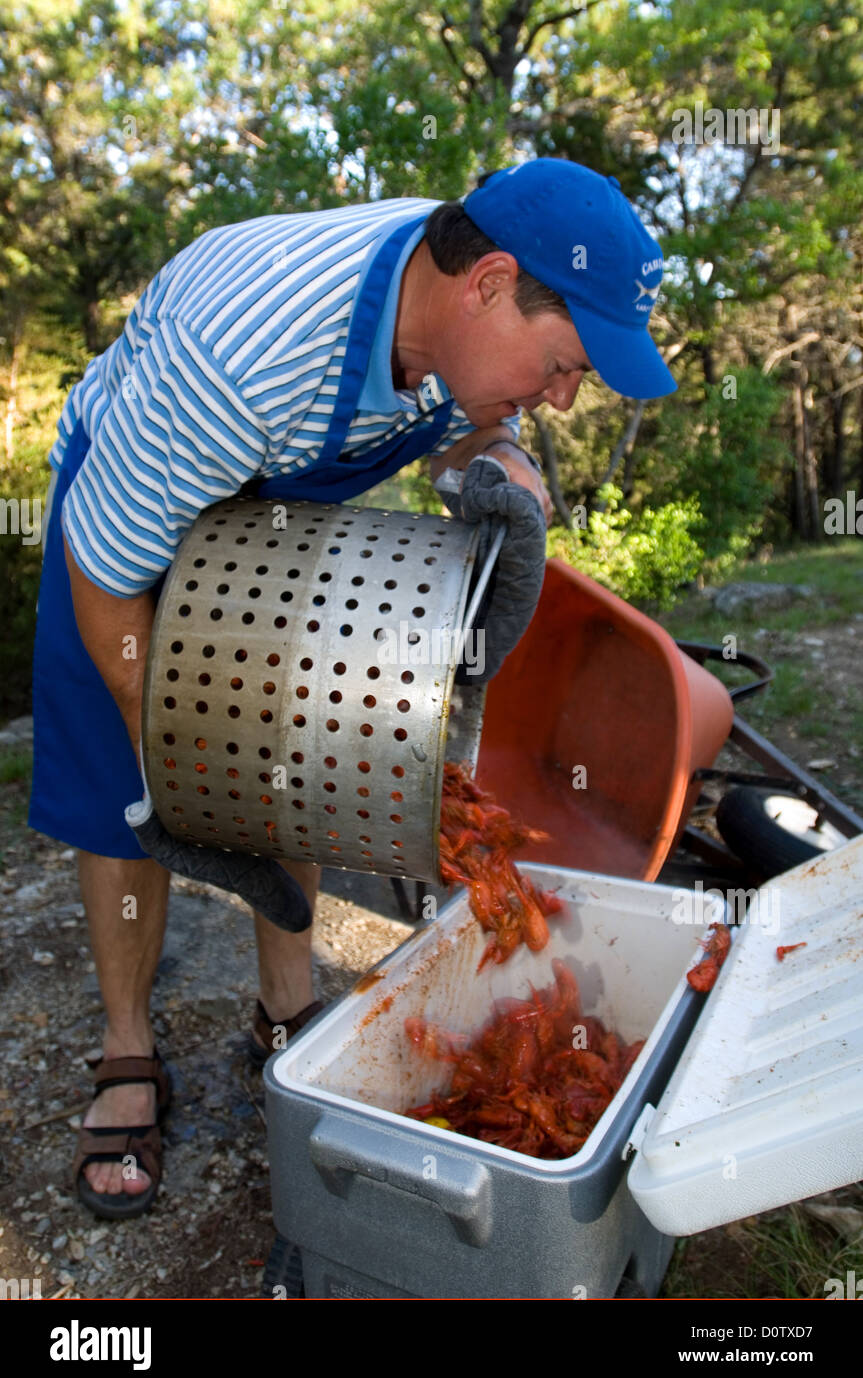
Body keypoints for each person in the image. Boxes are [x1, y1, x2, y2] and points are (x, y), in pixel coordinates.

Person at [28, 156, 675, 1218]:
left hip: (276, 487)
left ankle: (287, 1010)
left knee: (304, 729)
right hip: (133, 492)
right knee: (125, 784)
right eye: (561, 364)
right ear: (487, 283)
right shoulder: (241, 353)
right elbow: (107, 583)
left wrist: (501, 458)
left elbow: (472, 418)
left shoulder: (454, 313)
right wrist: (182, 765)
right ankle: (127, 1045)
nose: (563, 396)